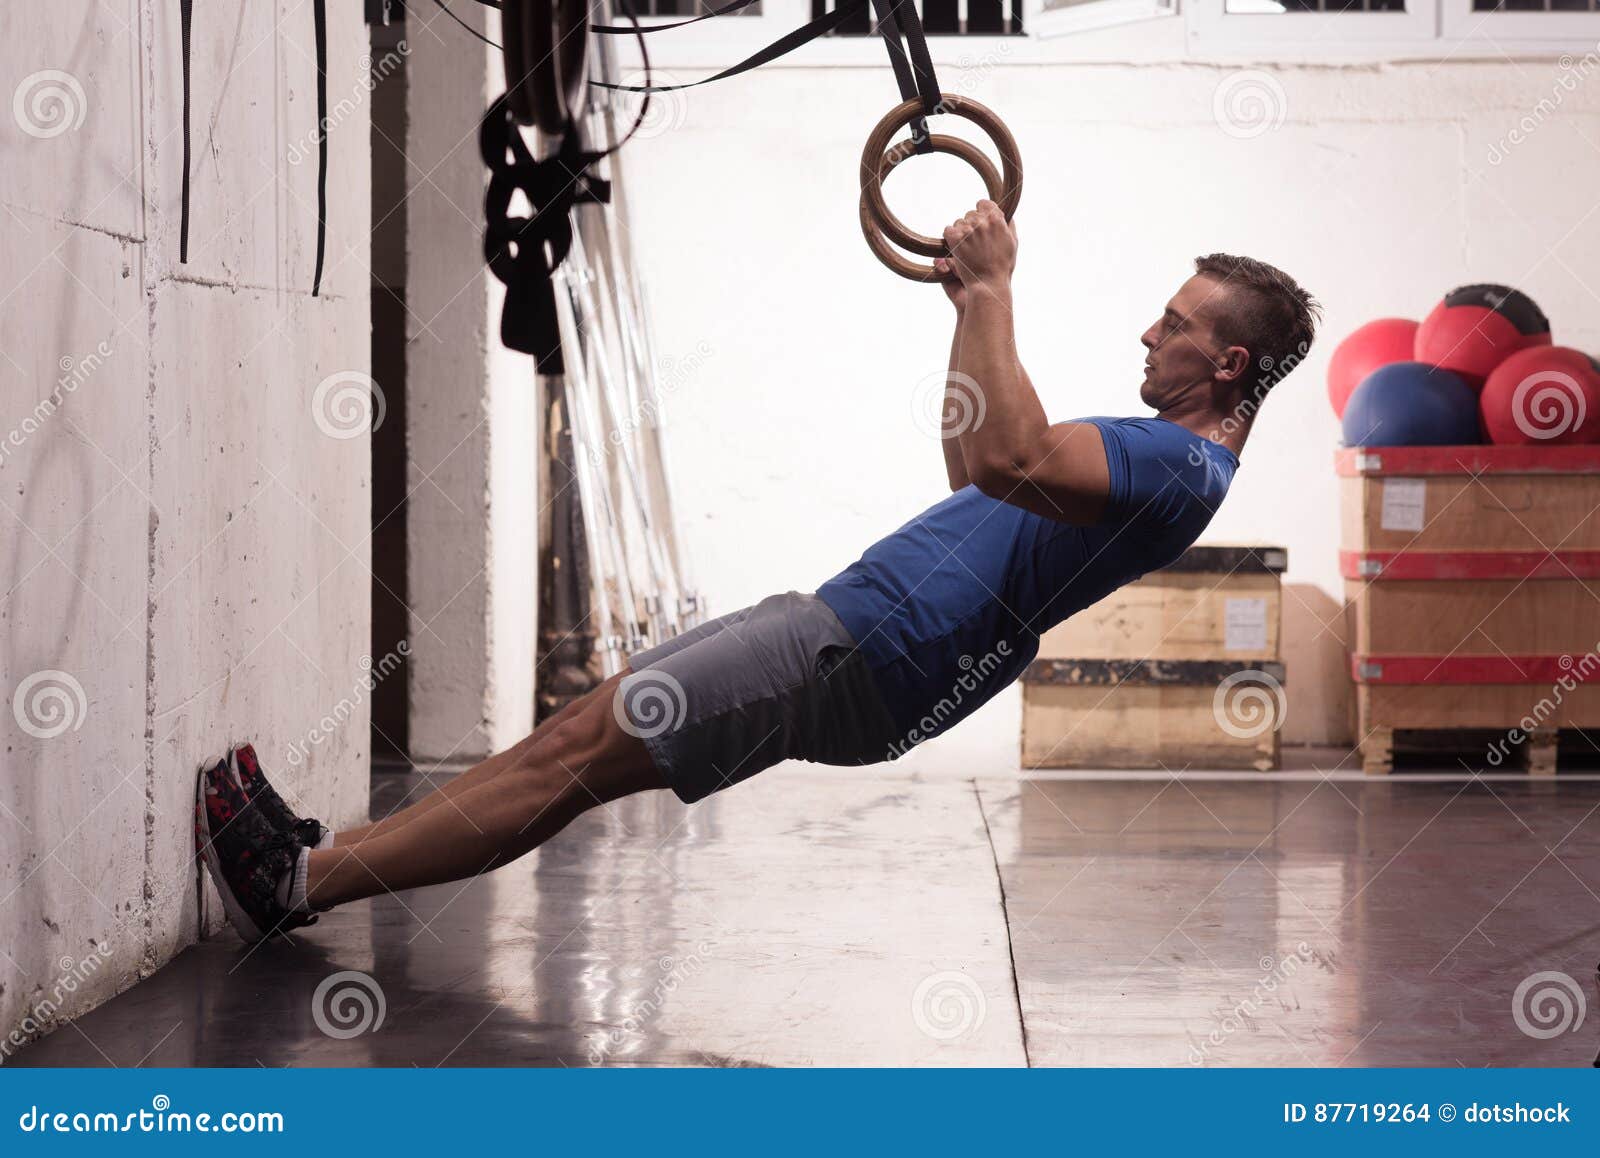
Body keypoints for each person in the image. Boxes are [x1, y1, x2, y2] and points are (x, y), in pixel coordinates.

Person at [196, 200, 1320, 943]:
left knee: (578, 750)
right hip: (859, 631)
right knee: (577, 747)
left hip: (867, 649)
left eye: (1171, 326)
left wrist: (991, 291)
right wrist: (968, 314)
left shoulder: (1179, 462)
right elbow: (975, 457)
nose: (1144, 334)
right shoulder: (1175, 460)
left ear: (1224, 363)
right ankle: (324, 861)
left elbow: (1000, 449)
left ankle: (301, 888)